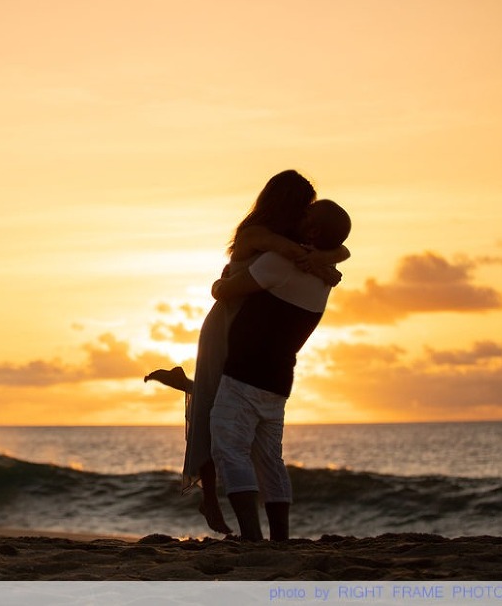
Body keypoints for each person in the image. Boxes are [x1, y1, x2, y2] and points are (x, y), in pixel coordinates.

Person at [145, 171, 349, 535]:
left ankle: (188, 387)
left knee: (220, 407)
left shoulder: (291, 242)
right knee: (213, 409)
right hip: (228, 322)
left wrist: (326, 258)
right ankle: (209, 500)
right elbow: (293, 253)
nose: (305, 213)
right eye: (303, 206)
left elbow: (343, 249)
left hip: (252, 323)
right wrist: (318, 262)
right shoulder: (257, 235)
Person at [209, 199, 352, 542]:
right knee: (269, 457)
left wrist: (222, 280)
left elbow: (224, 292)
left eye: (305, 214)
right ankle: (280, 538)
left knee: (229, 447)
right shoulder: (323, 279)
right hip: (278, 379)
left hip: (246, 370)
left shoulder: (279, 264)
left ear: (313, 230)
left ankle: (251, 537)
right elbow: (340, 253)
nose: (298, 216)